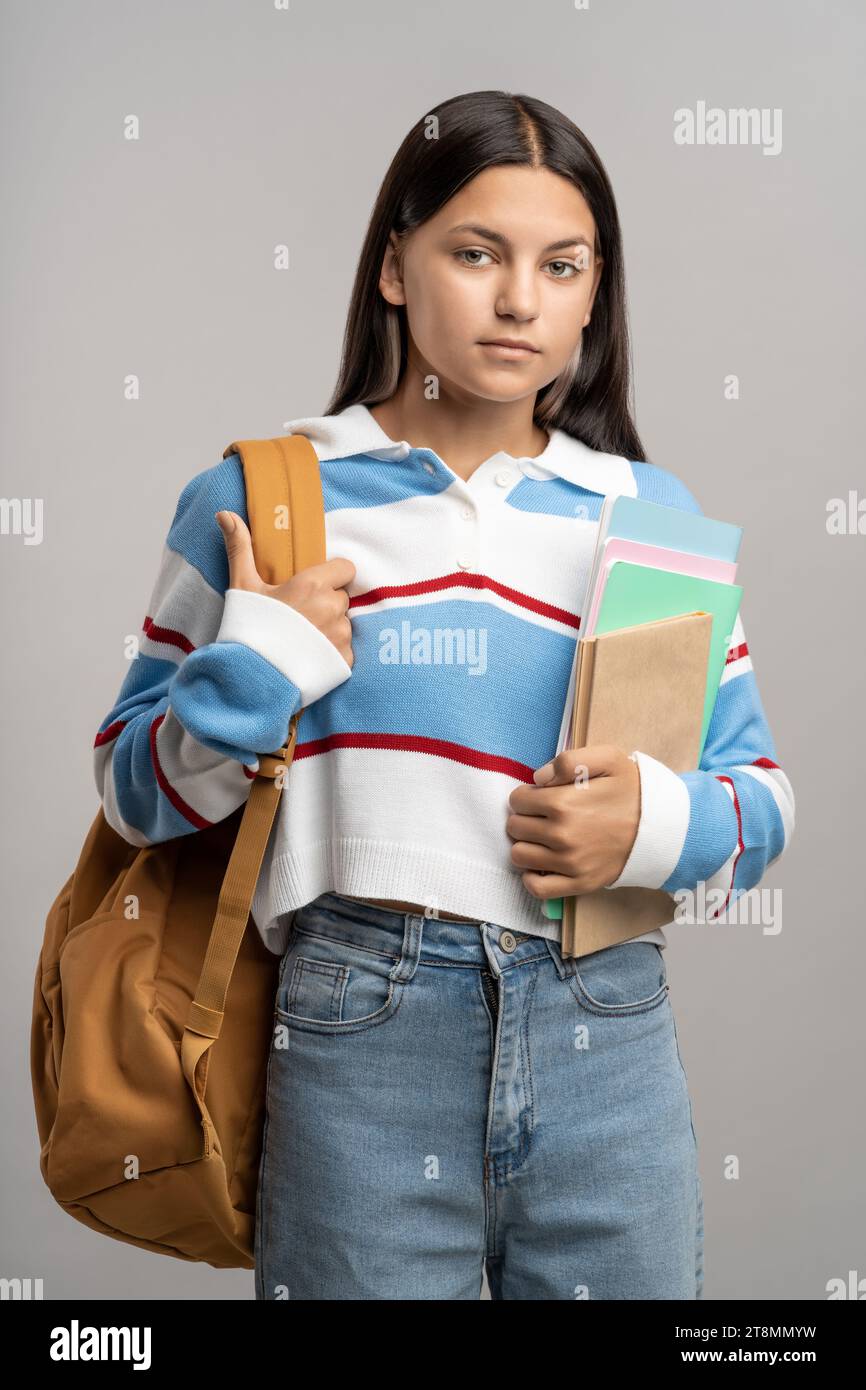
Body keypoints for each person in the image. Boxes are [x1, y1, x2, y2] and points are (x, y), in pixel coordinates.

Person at [93, 90, 795, 1300]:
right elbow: (131, 796)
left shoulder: (647, 515)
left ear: (592, 292)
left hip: (606, 1037)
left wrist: (648, 825)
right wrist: (255, 667)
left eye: (560, 266)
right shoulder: (268, 496)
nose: (519, 299)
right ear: (393, 271)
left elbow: (760, 802)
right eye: (475, 254)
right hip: (356, 1032)